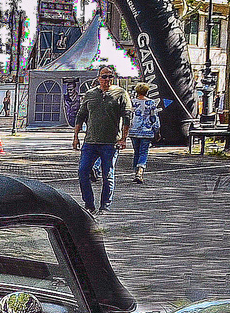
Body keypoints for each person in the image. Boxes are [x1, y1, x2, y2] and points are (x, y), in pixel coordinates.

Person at [71, 65, 131, 213]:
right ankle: (89, 204)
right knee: (83, 172)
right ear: (98, 78)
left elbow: (127, 116)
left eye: (110, 76)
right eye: (104, 76)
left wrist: (123, 139)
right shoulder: (90, 94)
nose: (107, 79)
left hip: (110, 143)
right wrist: (75, 137)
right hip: (90, 142)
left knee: (108, 174)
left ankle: (105, 205)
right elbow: (81, 115)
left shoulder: (120, 93)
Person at [128, 83, 168, 183]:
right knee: (143, 152)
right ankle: (140, 171)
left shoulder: (131, 102)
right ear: (147, 91)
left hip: (134, 131)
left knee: (136, 152)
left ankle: (136, 171)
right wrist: (157, 131)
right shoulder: (151, 103)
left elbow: (127, 116)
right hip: (146, 131)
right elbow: (154, 118)